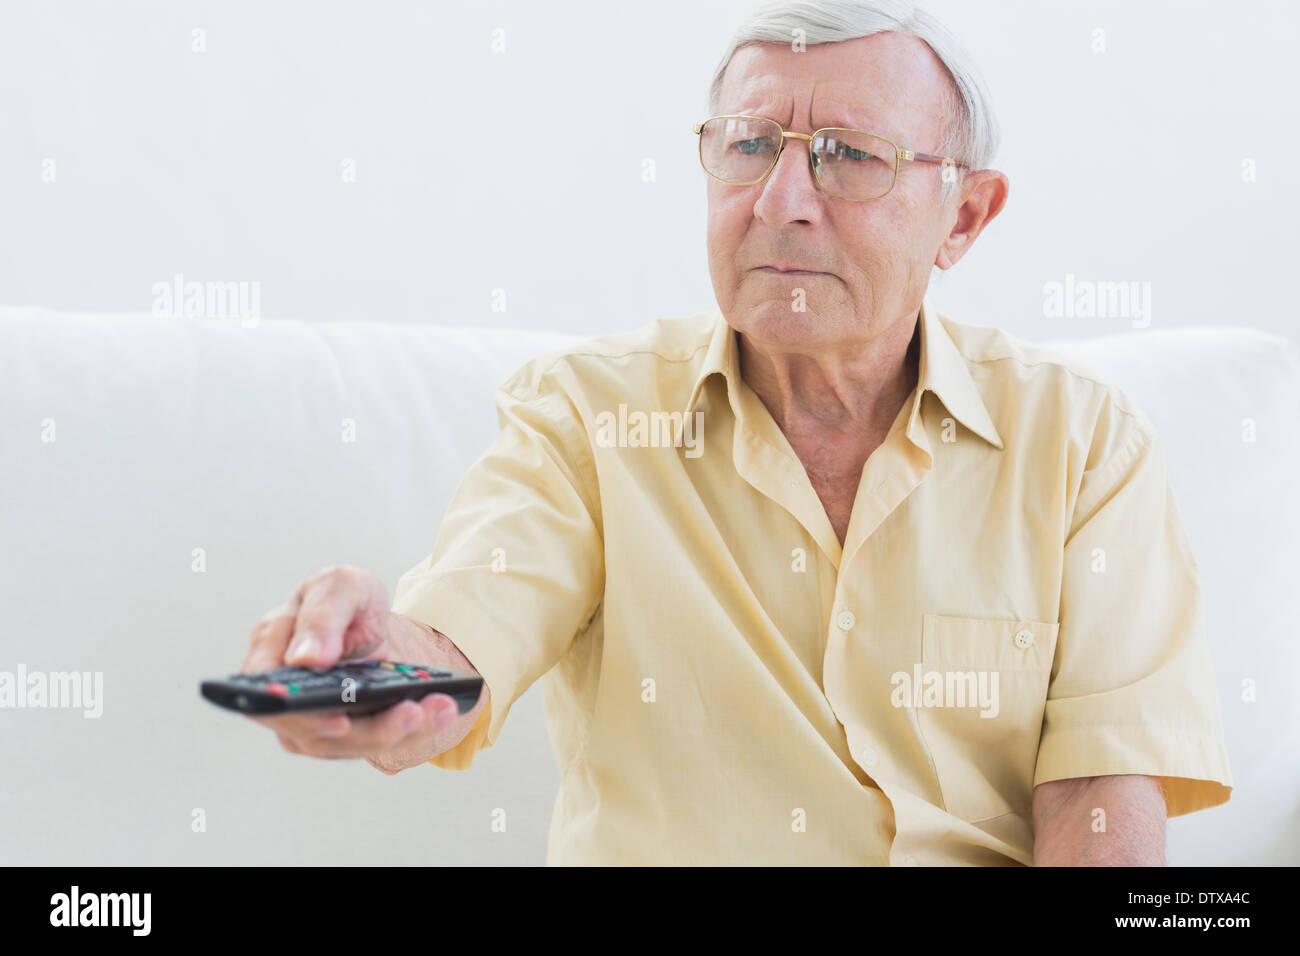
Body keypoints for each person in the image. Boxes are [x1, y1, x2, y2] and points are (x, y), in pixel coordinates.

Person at [239, 0, 1232, 865]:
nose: (782, 202)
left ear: (963, 216)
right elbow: (459, 645)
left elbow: (1101, 799)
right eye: (750, 145)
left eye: (849, 157)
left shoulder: (1082, 442)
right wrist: (373, 667)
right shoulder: (589, 416)